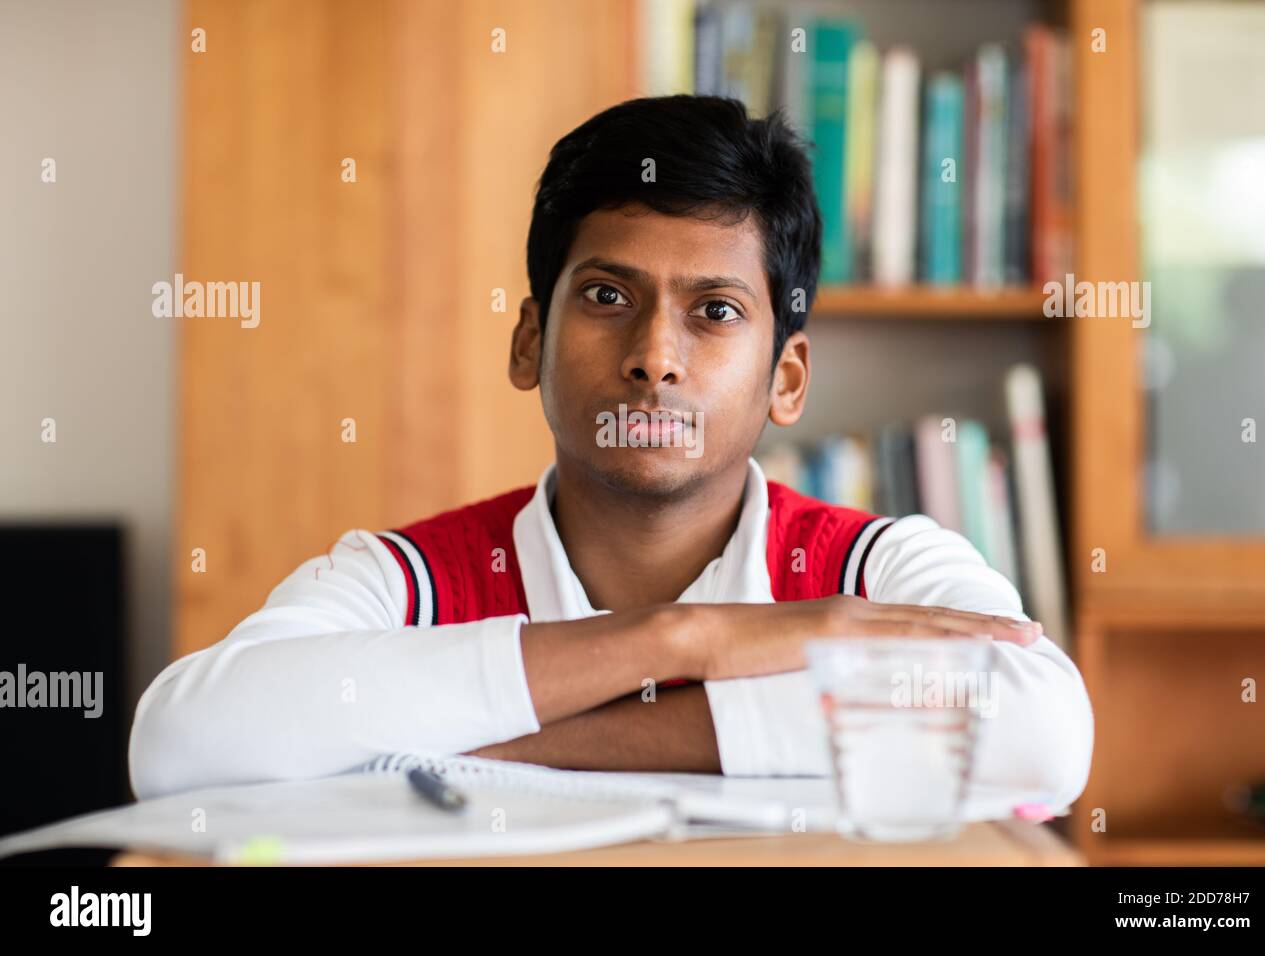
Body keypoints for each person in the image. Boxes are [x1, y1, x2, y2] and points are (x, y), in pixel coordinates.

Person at [129, 96, 1093, 809]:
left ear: (787, 379)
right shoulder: (405, 580)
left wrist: (542, 750)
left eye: (714, 313)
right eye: (604, 297)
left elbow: (1045, 734)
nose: (652, 360)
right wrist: (683, 639)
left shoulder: (876, 568)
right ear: (526, 343)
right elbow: (181, 742)